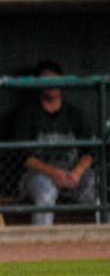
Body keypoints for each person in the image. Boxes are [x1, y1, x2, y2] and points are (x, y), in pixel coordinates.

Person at [14, 60, 95, 226]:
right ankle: (43, 245)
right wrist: (53, 172)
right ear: (38, 84)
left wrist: (77, 172)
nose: (51, 84)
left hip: (72, 172)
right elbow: (25, 158)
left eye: (55, 79)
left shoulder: (74, 114)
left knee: (97, 185)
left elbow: (89, 152)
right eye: (46, 79)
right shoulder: (28, 114)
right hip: (40, 174)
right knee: (46, 191)